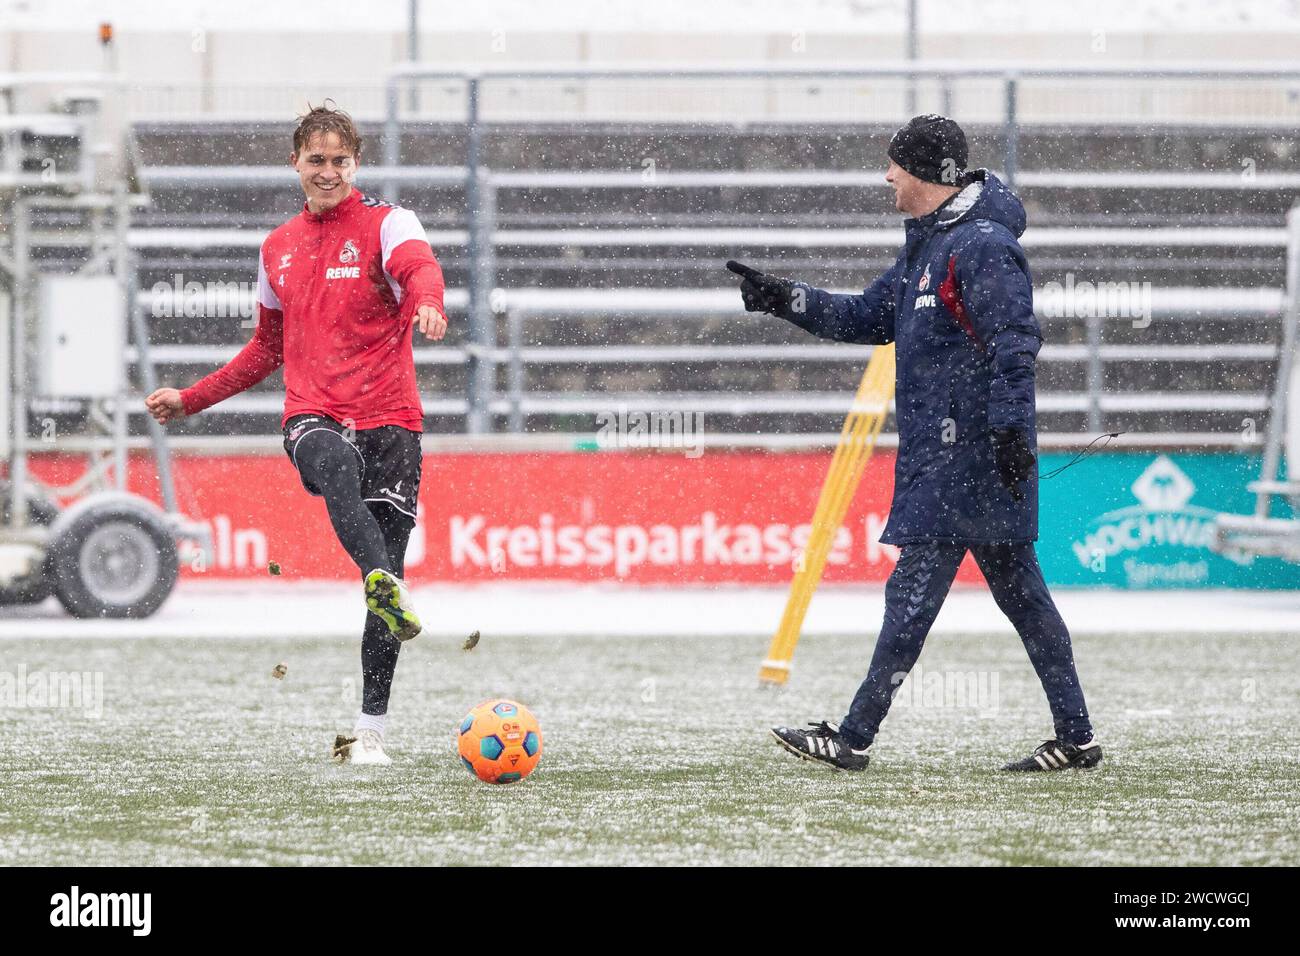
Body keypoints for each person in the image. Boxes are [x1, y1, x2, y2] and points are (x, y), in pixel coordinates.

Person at [729, 114, 1099, 773]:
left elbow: (1016, 344)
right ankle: (1076, 739)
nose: (887, 176)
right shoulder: (930, 246)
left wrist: (1011, 432)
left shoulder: (979, 245)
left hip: (971, 459)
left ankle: (853, 737)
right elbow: (867, 316)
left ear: (924, 174)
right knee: (1023, 600)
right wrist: (786, 298)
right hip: (953, 457)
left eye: (895, 165)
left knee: (913, 596)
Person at [145, 103, 451, 766]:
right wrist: (193, 399)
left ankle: (370, 731)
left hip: (392, 421)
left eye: (340, 160)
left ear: (356, 163)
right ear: (296, 163)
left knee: (384, 596)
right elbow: (265, 349)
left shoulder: (388, 224)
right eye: (316, 160)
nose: (328, 171)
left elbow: (420, 269)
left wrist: (429, 301)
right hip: (314, 412)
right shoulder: (277, 247)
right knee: (332, 464)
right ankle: (380, 579)